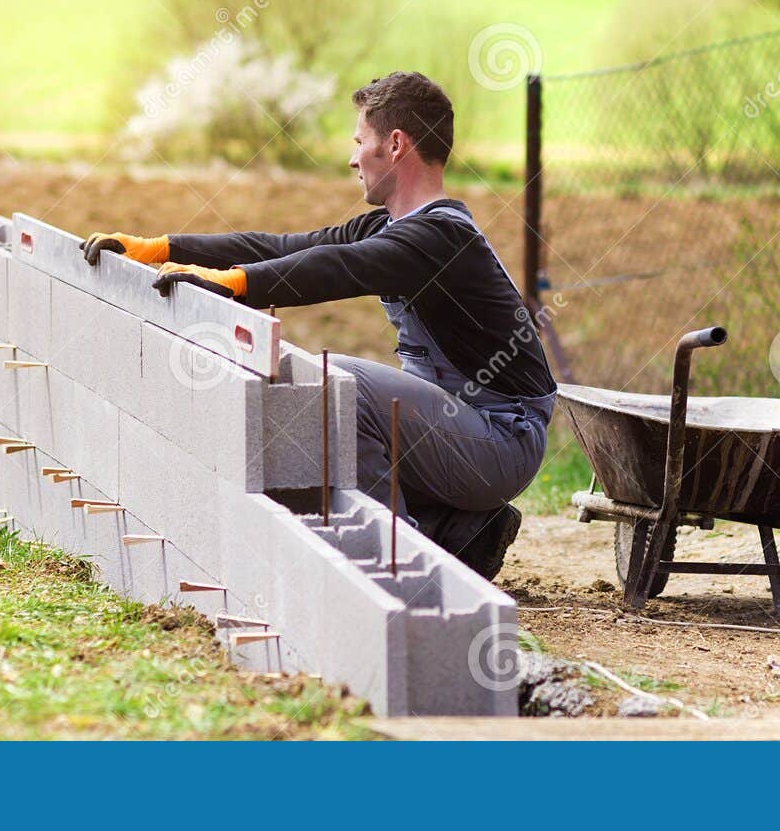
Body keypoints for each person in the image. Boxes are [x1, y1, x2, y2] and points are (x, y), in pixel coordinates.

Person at [82, 71, 557, 580]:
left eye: (360, 143)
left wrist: (236, 285)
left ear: (395, 145)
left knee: (336, 387)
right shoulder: (386, 224)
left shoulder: (440, 236)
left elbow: (337, 270)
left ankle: (400, 566)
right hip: (460, 426)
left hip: (501, 435)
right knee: (341, 396)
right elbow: (287, 248)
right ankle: (459, 531)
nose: (353, 159)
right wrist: (165, 248)